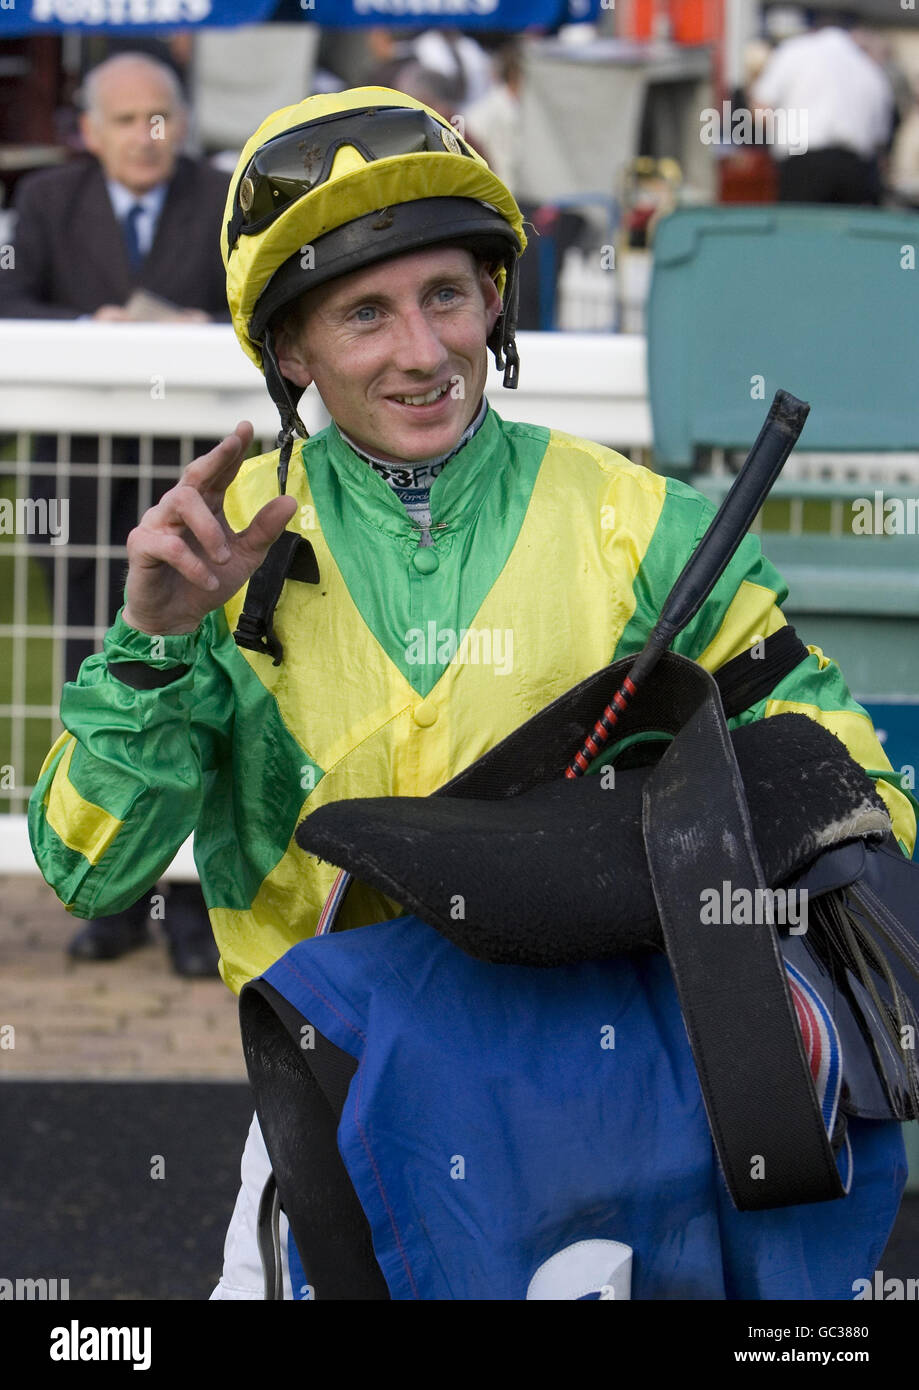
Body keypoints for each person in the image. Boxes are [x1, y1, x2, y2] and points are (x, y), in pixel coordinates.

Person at [28, 87, 916, 1299]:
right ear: (290, 349)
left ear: (494, 297)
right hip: (329, 1124)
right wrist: (150, 648)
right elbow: (91, 873)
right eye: (364, 314)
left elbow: (853, 790)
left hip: (619, 1124)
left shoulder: (646, 526)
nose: (422, 350)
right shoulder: (219, 556)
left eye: (446, 294)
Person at [2, 52, 229, 974]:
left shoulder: (220, 197)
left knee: (195, 676)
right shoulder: (48, 203)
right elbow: (8, 301)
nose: (146, 136)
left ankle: (188, 905)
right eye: (126, 120)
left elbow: (262, 307)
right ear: (88, 132)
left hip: (189, 482)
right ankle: (111, 888)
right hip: (75, 484)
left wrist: (198, 335)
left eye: (160, 117)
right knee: (95, 671)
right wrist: (86, 331)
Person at [751, 12, 895, 205]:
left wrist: (779, 138)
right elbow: (880, 139)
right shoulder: (869, 69)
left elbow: (760, 107)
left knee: (799, 231)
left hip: (801, 163)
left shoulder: (794, 51)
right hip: (855, 170)